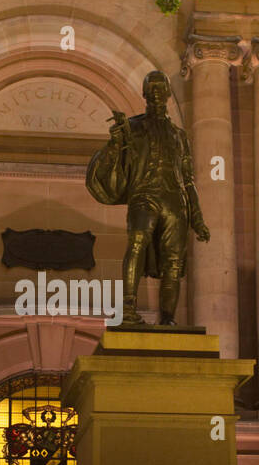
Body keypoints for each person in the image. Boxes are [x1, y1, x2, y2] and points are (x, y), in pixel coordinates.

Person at [86, 69, 210, 326]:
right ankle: (129, 308)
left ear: (166, 92)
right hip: (144, 195)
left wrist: (197, 218)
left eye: (159, 87)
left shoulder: (179, 135)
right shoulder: (132, 126)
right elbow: (111, 161)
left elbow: (188, 179)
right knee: (137, 242)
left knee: (174, 262)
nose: (155, 92)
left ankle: (167, 320)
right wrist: (115, 141)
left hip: (175, 201)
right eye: (150, 87)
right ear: (144, 93)